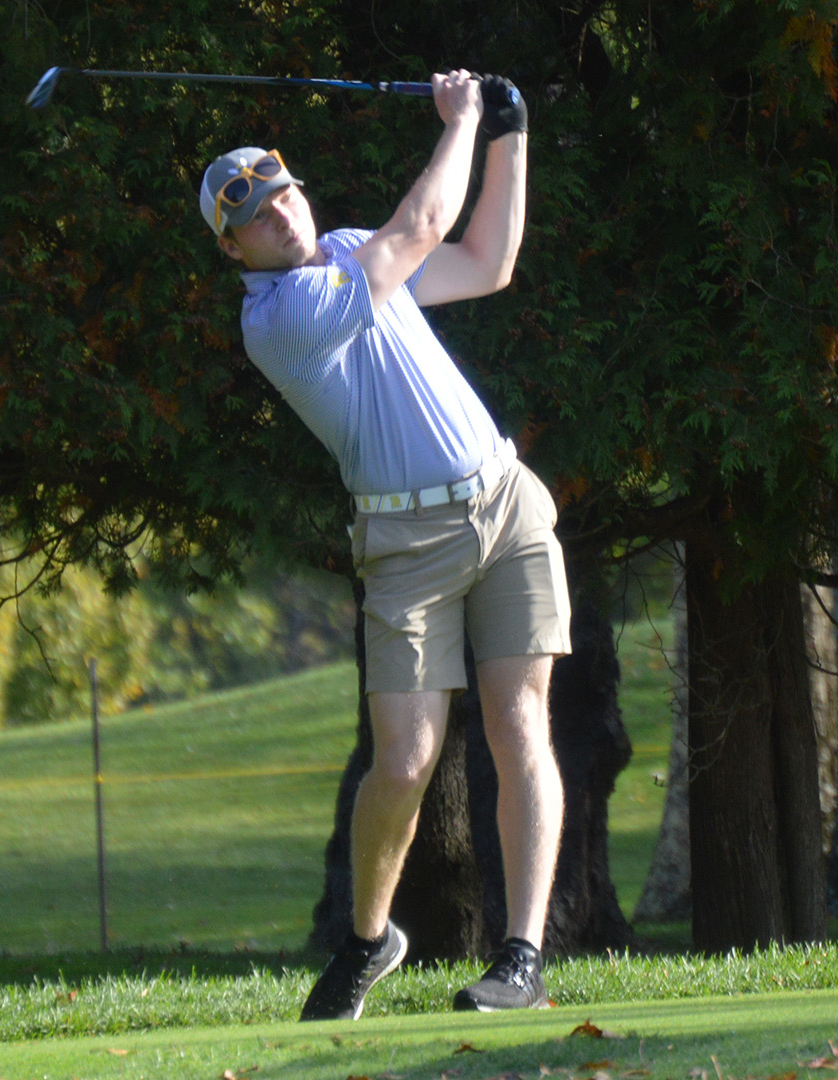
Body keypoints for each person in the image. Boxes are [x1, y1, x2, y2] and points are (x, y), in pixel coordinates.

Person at [197, 70, 567, 1020]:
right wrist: (467, 118)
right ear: (233, 246)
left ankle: (520, 957)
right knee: (402, 763)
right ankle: (370, 939)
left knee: (519, 722)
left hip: (504, 500)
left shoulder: (357, 250)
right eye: (255, 212)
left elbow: (487, 260)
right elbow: (423, 229)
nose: (280, 213)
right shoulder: (278, 320)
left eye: (284, 192)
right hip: (405, 545)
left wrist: (508, 141)